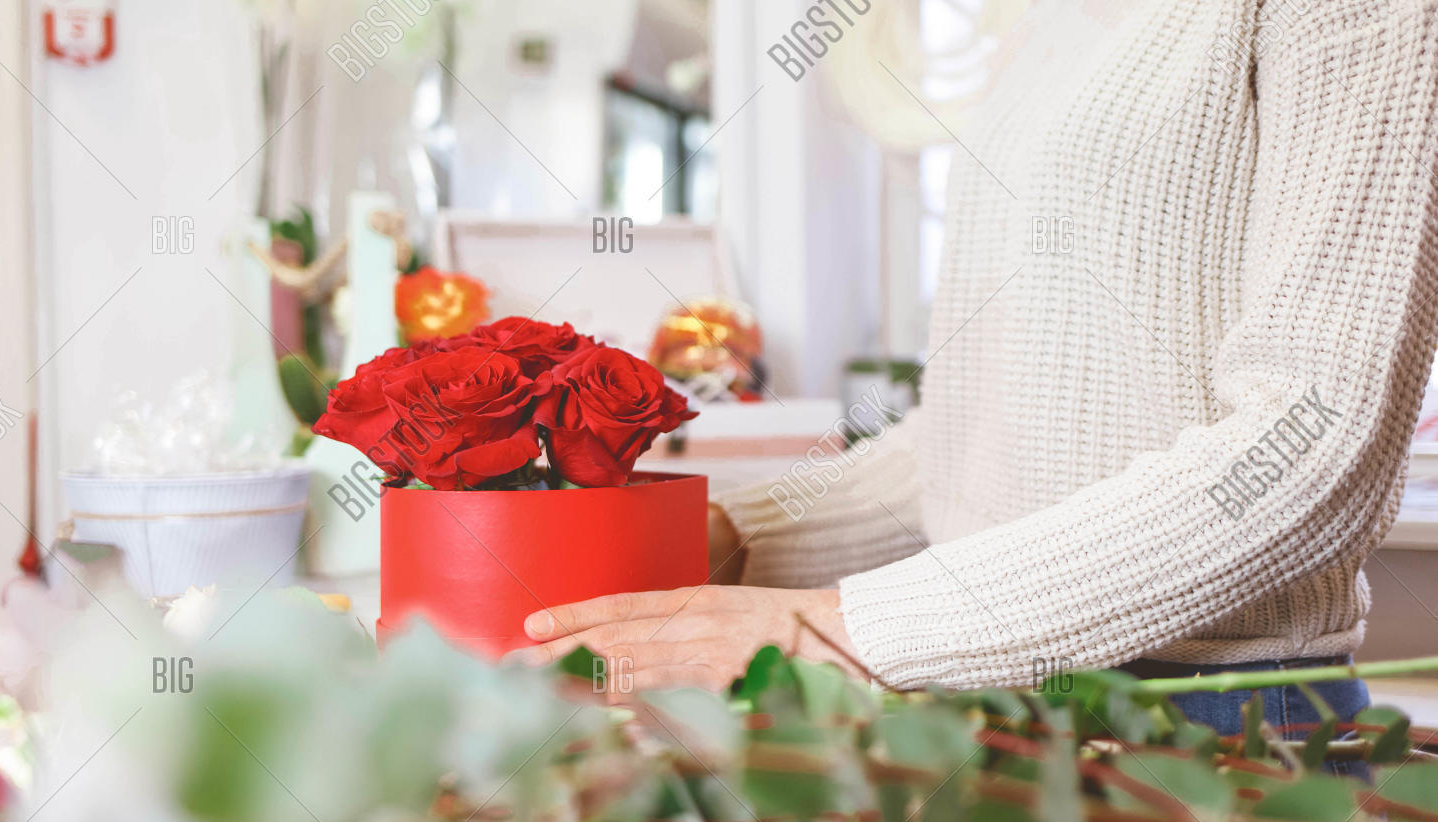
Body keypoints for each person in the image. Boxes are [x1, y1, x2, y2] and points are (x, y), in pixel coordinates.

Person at [510, 0, 1438, 738]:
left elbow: (1315, 443)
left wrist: (845, 629)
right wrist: (739, 536)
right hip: (984, 693)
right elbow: (965, 442)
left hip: (1204, 714)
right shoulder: (1043, 27)